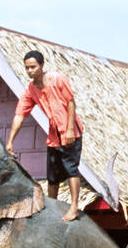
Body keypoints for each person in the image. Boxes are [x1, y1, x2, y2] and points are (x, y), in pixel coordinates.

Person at [5, 49, 84, 221]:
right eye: (27, 68)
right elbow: (20, 114)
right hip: (54, 136)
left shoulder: (57, 79)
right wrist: (10, 141)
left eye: (33, 67)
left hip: (70, 131)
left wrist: (70, 129)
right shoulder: (31, 89)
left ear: (41, 65)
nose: (30, 71)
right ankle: (52, 207)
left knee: (71, 169)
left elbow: (71, 103)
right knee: (52, 175)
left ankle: (74, 207)